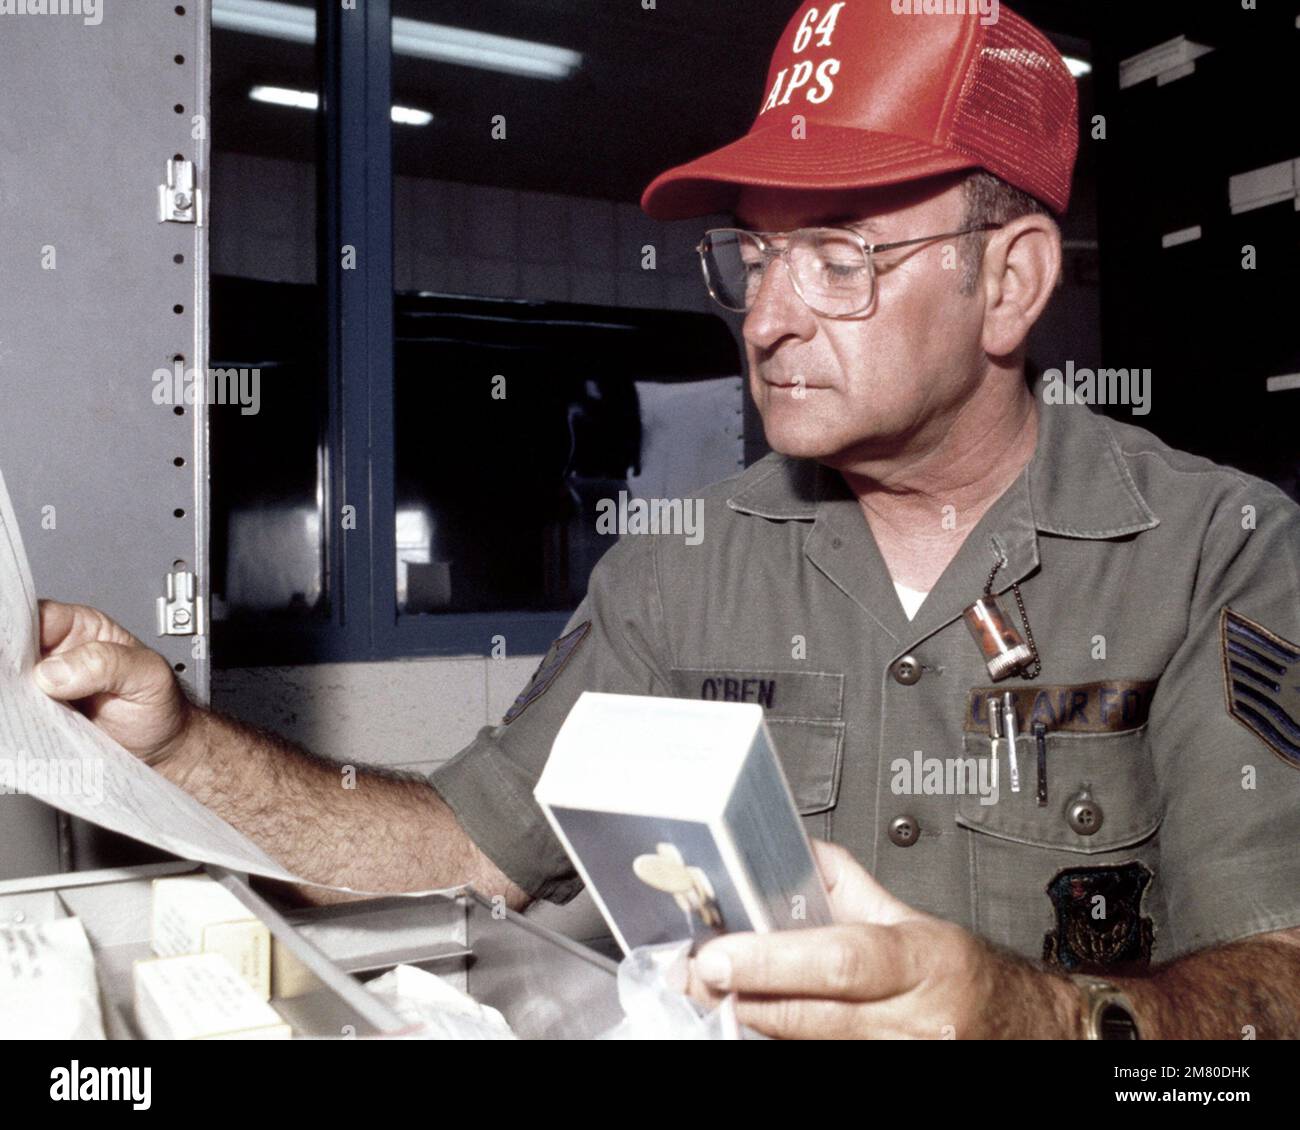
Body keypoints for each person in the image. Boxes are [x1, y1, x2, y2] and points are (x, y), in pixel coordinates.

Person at [33, 2, 1300, 1038]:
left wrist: (1024, 1015)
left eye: (841, 255)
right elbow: (455, 846)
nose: (766, 319)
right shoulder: (679, 574)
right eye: (755, 256)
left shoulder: (1216, 551)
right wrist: (179, 740)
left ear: (1009, 280)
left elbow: (1278, 983)